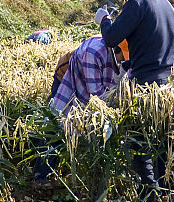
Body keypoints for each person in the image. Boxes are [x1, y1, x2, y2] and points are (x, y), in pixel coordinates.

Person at [95, 0, 174, 196]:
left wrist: (104, 20)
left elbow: (111, 37)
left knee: (138, 137)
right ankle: (169, 192)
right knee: (166, 139)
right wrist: (130, 63)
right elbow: (157, 45)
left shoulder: (136, 4)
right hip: (172, 82)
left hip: (148, 84)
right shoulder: (165, 4)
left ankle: (149, 192)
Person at [33, 36, 129, 185]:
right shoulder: (93, 52)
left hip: (93, 84)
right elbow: (96, 98)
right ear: (116, 49)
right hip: (68, 79)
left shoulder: (125, 52)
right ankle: (41, 175)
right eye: (123, 57)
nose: (124, 61)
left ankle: (82, 172)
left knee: (92, 127)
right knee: (57, 123)